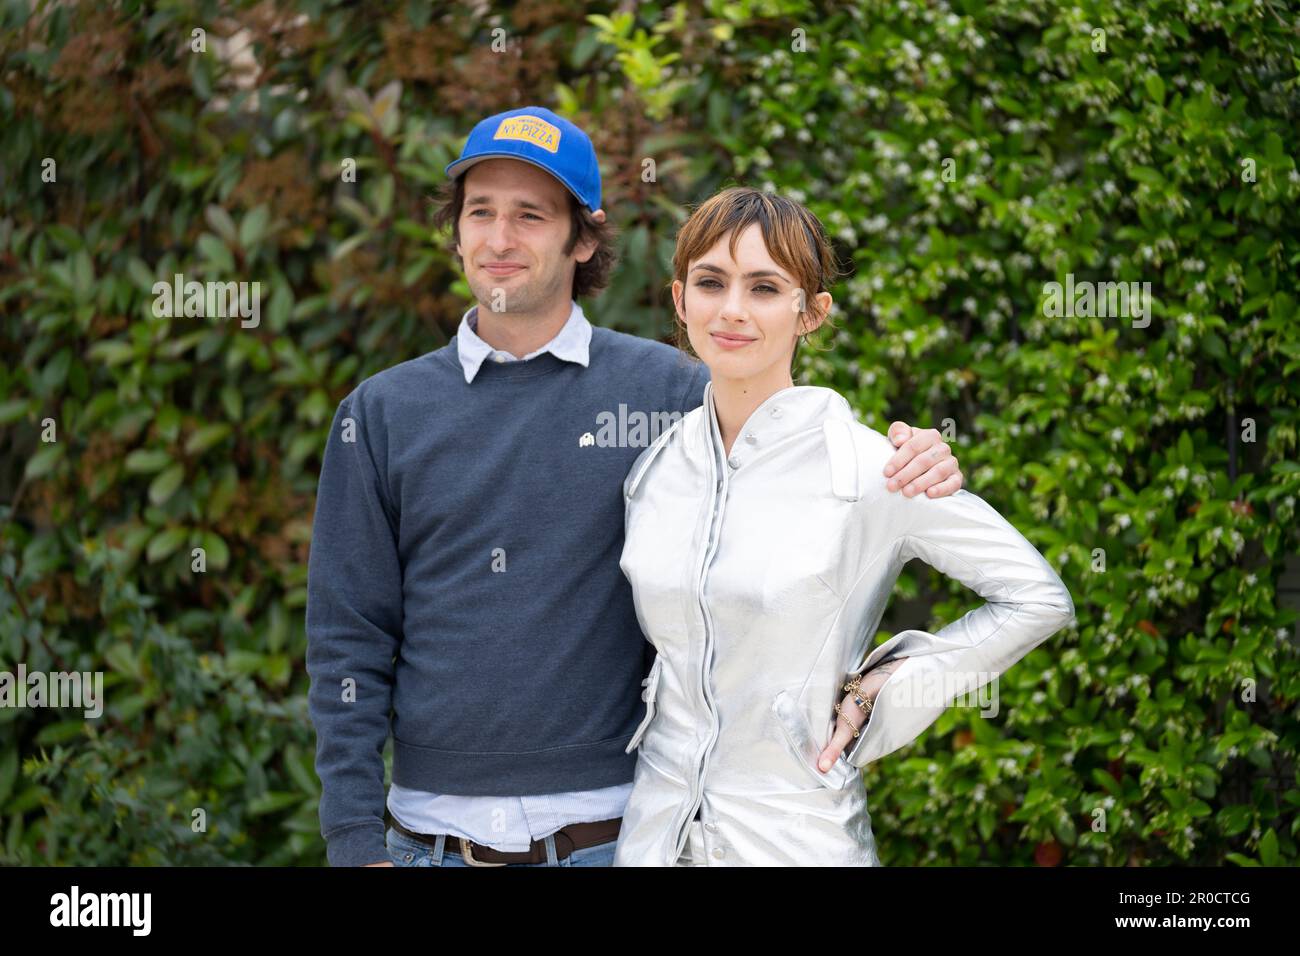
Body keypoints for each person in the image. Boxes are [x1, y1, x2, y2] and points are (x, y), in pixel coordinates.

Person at [305, 107, 964, 868]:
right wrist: (355, 845)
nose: (498, 238)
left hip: (618, 839)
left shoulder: (671, 394)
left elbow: (814, 484)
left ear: (583, 237)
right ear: (456, 231)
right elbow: (347, 641)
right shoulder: (382, 415)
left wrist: (915, 459)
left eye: (530, 215)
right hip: (424, 844)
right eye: (479, 212)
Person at [612, 186, 1076, 866]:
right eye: (711, 283)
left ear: (812, 313)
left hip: (796, 841)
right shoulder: (656, 469)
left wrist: (881, 685)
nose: (732, 310)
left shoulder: (872, 469)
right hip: (654, 839)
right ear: (681, 301)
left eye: (765, 287)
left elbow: (1037, 598)